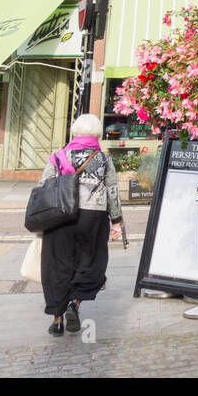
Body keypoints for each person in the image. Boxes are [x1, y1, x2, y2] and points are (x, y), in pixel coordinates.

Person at [37, 114, 123, 337]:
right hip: (93, 216)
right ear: (96, 134)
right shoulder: (103, 159)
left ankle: (57, 321)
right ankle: (73, 304)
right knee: (88, 260)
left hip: (60, 216)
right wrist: (116, 221)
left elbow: (43, 185)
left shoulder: (58, 156)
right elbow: (112, 191)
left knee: (57, 264)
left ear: (74, 132)